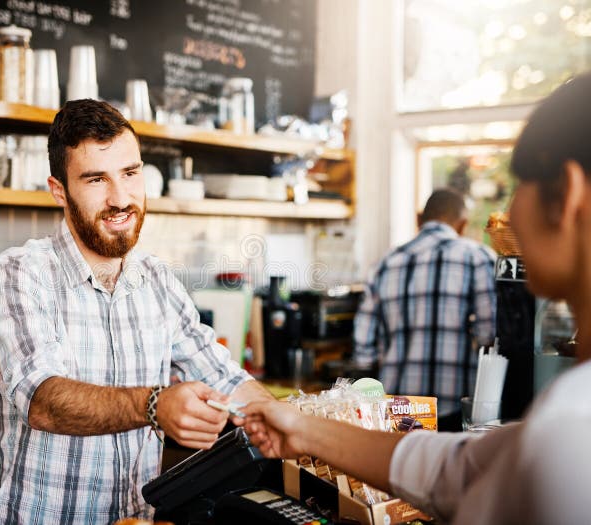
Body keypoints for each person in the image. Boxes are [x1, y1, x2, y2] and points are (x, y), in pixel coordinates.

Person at [241, 73, 591, 524]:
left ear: (566, 195)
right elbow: (460, 467)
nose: (507, 211)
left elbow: (365, 350)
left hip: (397, 405)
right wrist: (307, 428)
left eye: (516, 183)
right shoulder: (563, 422)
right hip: (446, 409)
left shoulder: (569, 430)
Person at [0, 99, 272, 524]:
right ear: (60, 190)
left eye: (130, 173)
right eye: (95, 179)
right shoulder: (21, 272)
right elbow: (43, 401)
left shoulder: (158, 279)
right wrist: (154, 405)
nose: (120, 198)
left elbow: (225, 379)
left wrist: (303, 425)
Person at [352, 187, 497, 430]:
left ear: (419, 219)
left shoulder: (385, 263)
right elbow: (488, 335)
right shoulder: (479, 258)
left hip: (398, 409)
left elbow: (363, 349)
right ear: (462, 225)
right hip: (455, 405)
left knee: (399, 468)